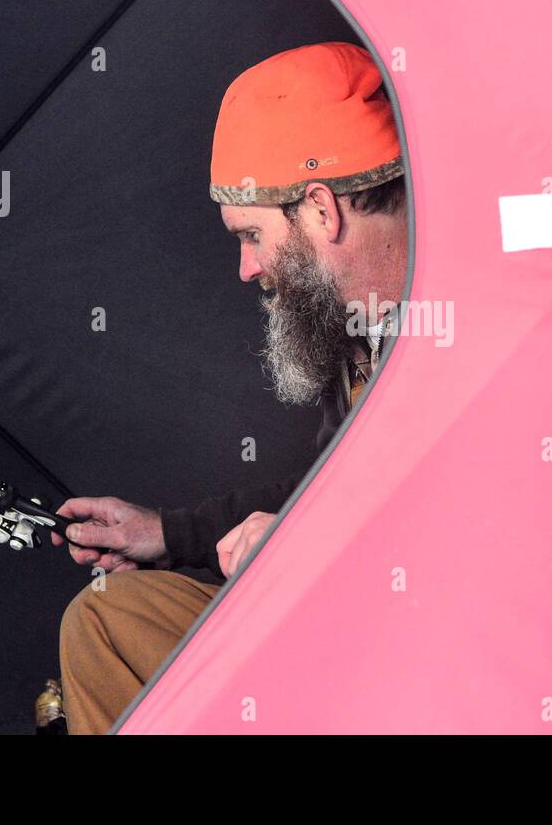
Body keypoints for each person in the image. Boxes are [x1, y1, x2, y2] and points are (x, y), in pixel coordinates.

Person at [54, 42, 408, 734]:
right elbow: (325, 494)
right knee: (105, 623)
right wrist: (165, 533)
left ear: (319, 210)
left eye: (251, 234)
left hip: (413, 653)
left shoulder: (463, 325)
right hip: (340, 629)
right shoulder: (356, 332)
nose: (245, 269)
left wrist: (311, 554)